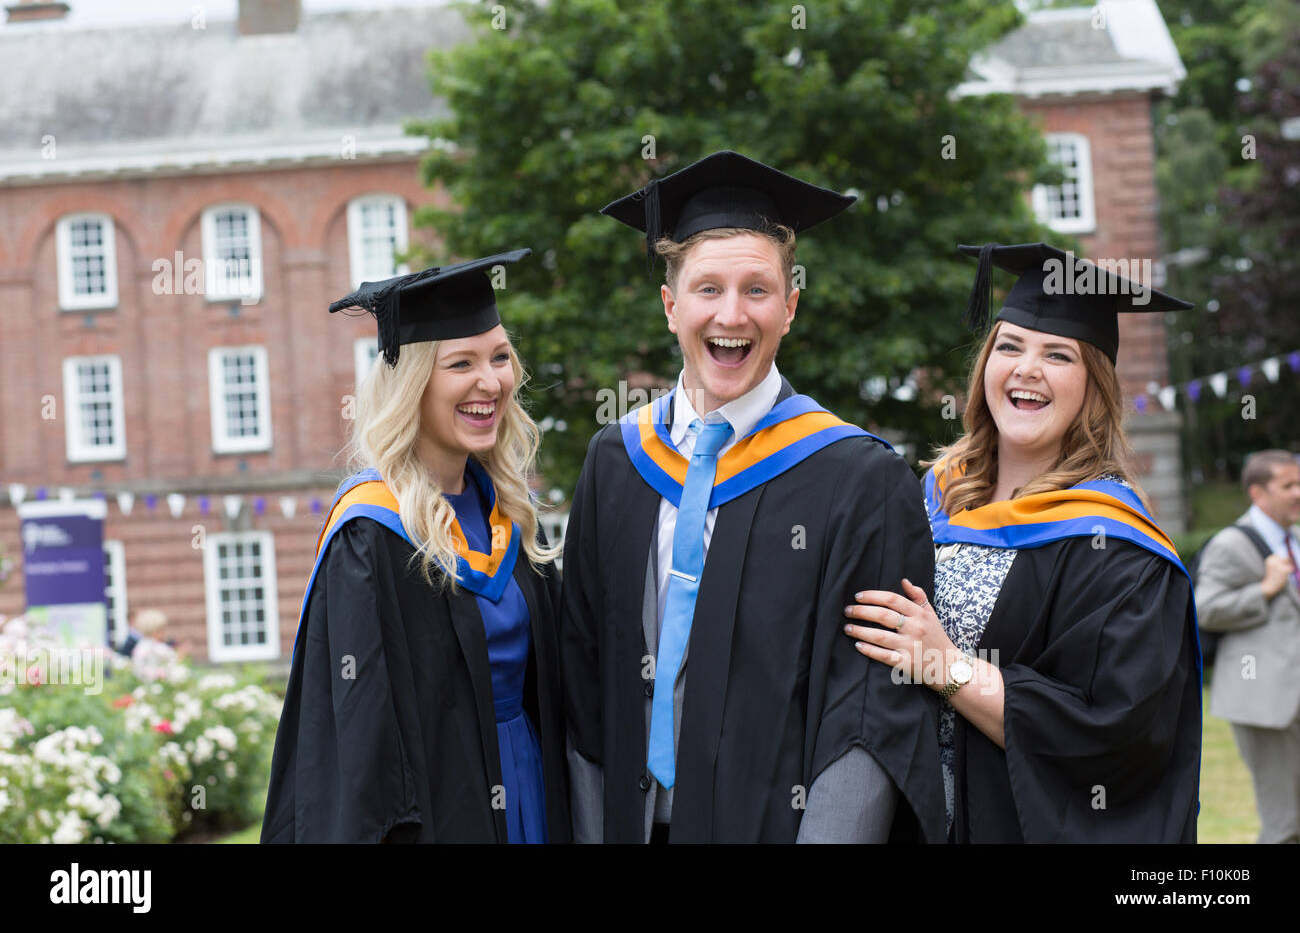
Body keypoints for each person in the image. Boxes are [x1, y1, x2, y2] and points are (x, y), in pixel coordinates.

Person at [561, 150, 945, 843]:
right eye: (707, 289)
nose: (730, 315)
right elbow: (585, 682)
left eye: (757, 290)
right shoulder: (616, 461)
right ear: (671, 306)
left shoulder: (859, 478)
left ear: (791, 307)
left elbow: (868, 711)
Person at [845, 242, 1202, 842]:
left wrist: (945, 665)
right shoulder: (933, 494)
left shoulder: (1114, 547)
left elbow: (1120, 734)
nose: (1026, 368)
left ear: (1094, 387)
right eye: (1009, 346)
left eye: (1058, 354)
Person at [262, 249, 570, 844]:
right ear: (413, 385)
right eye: (461, 363)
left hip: (531, 786)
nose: (491, 381)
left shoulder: (507, 514)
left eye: (500, 357)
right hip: (441, 810)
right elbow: (361, 743)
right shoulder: (372, 533)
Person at [1195, 449, 1300, 843]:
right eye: (1288, 485)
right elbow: (1205, 610)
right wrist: (1265, 590)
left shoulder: (1295, 538)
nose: (1298, 493)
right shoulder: (1230, 544)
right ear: (1258, 493)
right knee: (1284, 825)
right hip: (1265, 704)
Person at [128, 608, 180, 681]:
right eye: (162, 630)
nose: (164, 633)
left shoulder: (141, 645)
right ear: (155, 630)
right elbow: (173, 660)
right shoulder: (156, 647)